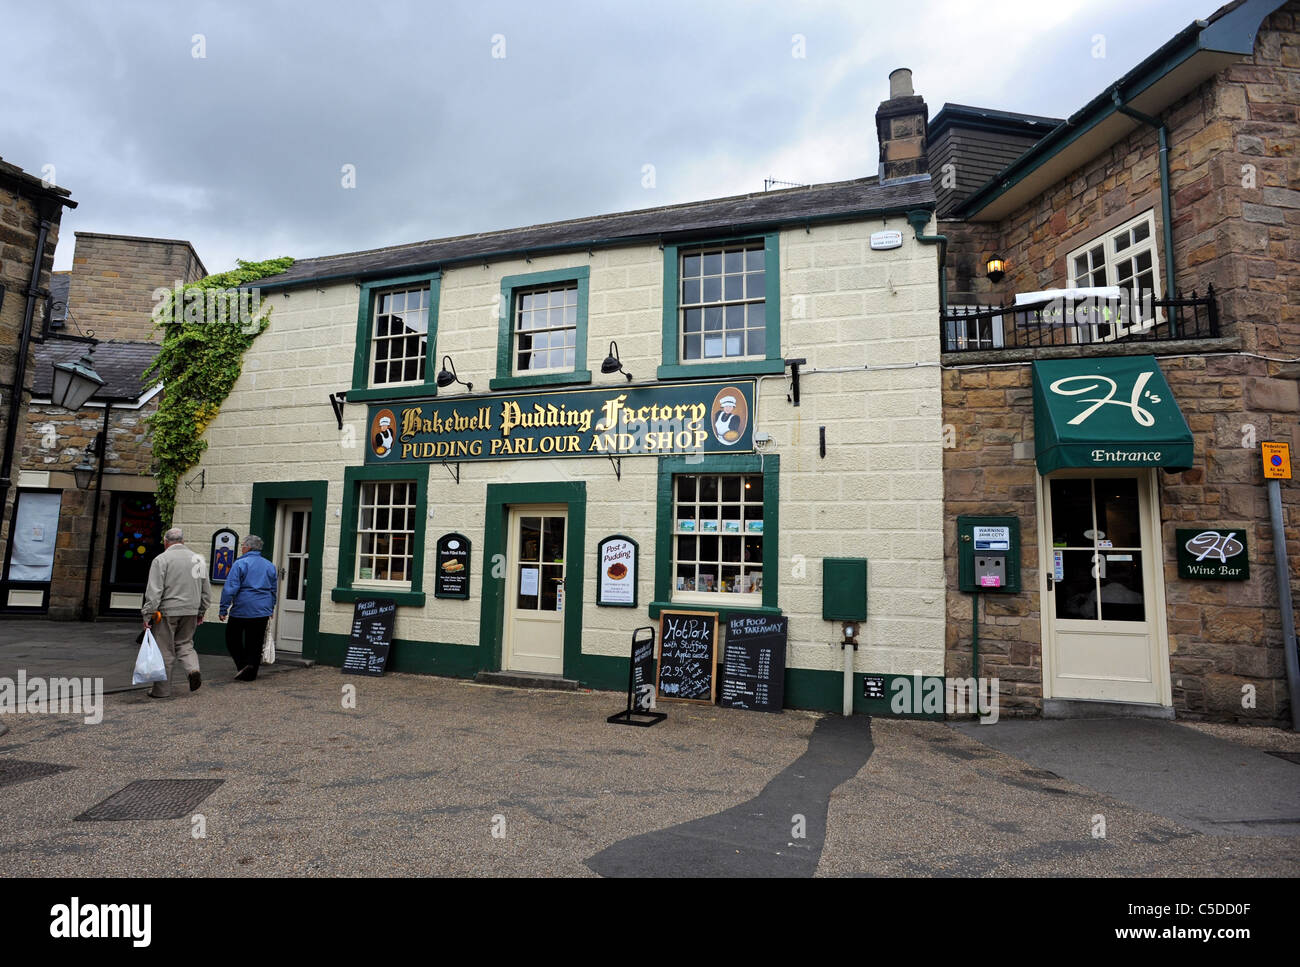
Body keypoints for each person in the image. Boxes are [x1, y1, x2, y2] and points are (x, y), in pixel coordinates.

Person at [141, 527, 212, 698]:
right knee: (185, 644)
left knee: (164, 649)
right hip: (191, 610)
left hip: (167, 611)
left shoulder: (161, 559)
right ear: (183, 541)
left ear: (166, 542)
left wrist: (148, 614)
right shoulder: (198, 560)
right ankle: (193, 669)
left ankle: (161, 690)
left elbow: (154, 591)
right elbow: (206, 590)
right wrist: (201, 611)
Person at [218, 534, 278, 681]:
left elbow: (230, 588)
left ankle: (243, 665)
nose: (242, 548)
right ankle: (251, 672)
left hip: (243, 608)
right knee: (255, 642)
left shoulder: (240, 564)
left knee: (232, 638)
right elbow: (273, 590)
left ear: (248, 547)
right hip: (262, 609)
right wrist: (271, 607)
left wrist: (223, 609)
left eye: (243, 546)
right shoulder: (269, 565)